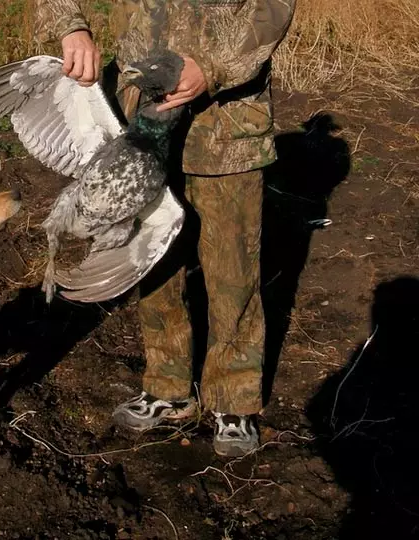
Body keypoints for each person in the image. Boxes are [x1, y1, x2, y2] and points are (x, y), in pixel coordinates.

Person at [34, 0, 296, 457]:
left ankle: (232, 401)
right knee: (153, 264)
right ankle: (166, 390)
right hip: (139, 123)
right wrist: (70, 27)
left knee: (233, 269)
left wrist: (210, 68)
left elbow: (272, 9)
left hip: (226, 130)